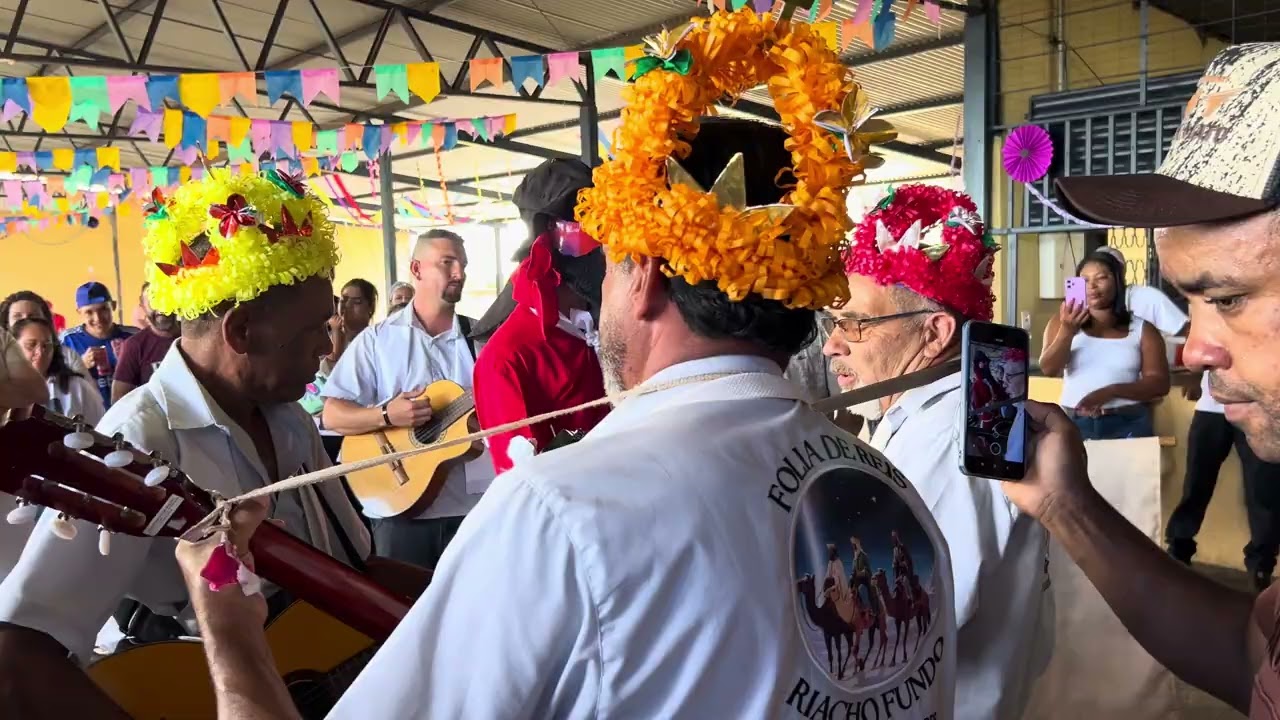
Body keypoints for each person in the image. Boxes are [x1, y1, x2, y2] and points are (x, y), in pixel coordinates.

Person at [165, 14, 959, 718]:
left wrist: (228, 622)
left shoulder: (562, 510)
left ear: (641, 276)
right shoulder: (889, 491)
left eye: (610, 265)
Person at [0, 168, 427, 719]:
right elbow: (19, 655)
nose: (327, 347)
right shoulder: (138, 437)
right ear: (242, 332)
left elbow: (355, 568)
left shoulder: (290, 417)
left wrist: (475, 584)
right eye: (314, 329)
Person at [997, 41, 1280, 718]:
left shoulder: (1143, 327)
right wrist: (1068, 506)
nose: (1199, 351)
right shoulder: (1073, 325)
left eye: (1229, 298)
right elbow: (1251, 655)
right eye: (1194, 303)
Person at [826, 183, 1051, 720]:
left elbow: (922, 616)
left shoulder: (952, 435)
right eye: (834, 323)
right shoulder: (917, 415)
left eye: (855, 324)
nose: (835, 343)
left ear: (935, 333)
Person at [321, 229, 482, 570]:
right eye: (447, 263)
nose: (459, 273)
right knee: (400, 617)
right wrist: (386, 415)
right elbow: (332, 415)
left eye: (463, 265)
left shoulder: (481, 339)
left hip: (476, 511)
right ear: (417, 269)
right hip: (398, 510)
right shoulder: (377, 341)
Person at [470, 158, 609, 474]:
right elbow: (524, 489)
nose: (605, 244)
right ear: (550, 231)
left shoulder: (610, 327)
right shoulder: (506, 359)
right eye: (591, 225)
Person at [1039, 250, 1172, 440]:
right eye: (1084, 280)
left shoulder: (1143, 329)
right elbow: (1049, 369)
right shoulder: (1060, 323)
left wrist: (1111, 391)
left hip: (1128, 423)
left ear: (1117, 282)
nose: (1092, 286)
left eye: (1101, 278)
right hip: (1075, 423)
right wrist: (1068, 330)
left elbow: (1159, 383)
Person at [58, 281, 138, 408]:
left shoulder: (134, 337)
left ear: (113, 306)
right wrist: (81, 366)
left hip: (129, 414)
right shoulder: (67, 340)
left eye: (103, 309)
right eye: (89, 312)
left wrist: (129, 361)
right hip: (88, 417)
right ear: (79, 312)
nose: (98, 318)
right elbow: (55, 385)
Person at [11, 317, 105, 424]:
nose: (40, 352)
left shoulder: (78, 388)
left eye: (47, 345)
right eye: (31, 345)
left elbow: (101, 431)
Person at [1095, 246, 1190, 337]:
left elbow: (1183, 329)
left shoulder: (1148, 297)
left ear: (1123, 271)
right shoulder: (1086, 301)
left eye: (1113, 269)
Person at [110, 282, 179, 404]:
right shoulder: (134, 346)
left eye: (166, 300)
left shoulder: (195, 336)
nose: (161, 308)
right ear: (143, 305)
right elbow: (119, 401)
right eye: (153, 301)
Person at [1, 290, 89, 375]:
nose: (26, 321)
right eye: (17, 316)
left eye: (33, 316)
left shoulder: (68, 357)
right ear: (7, 324)